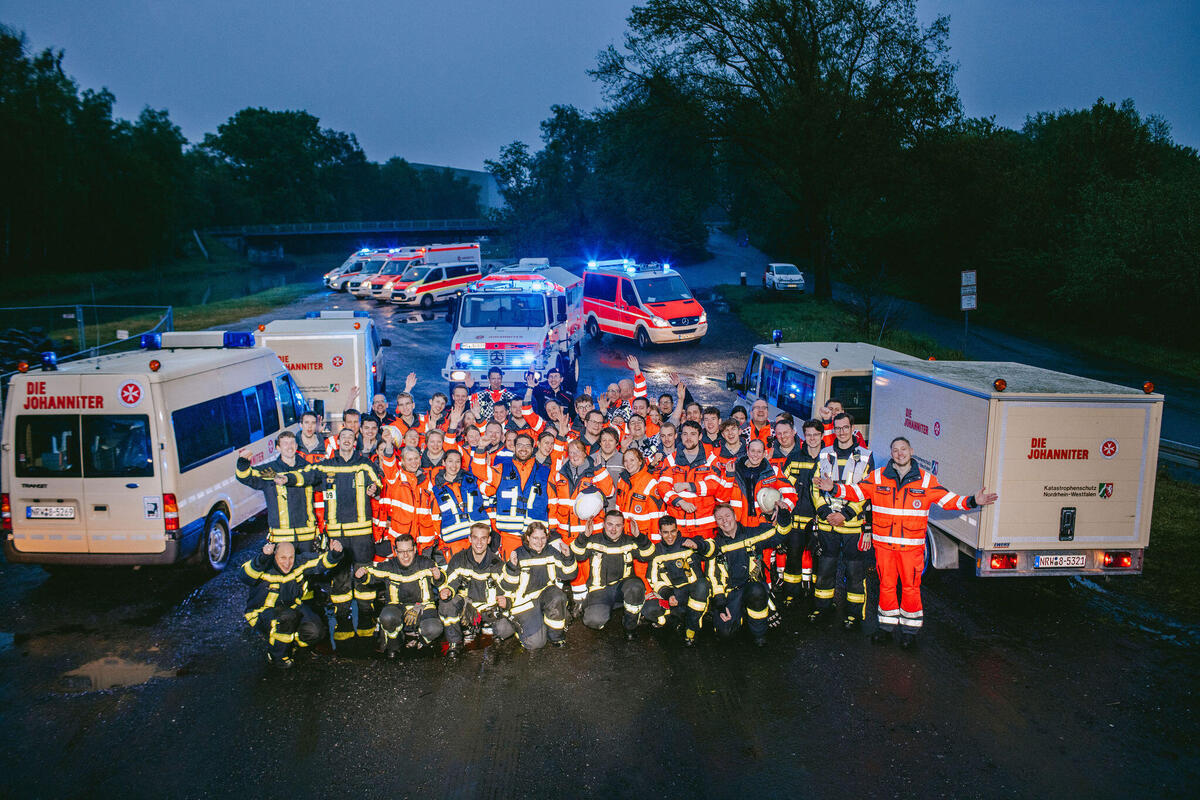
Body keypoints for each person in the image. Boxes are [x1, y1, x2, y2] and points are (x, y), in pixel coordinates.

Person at [818, 436, 997, 648]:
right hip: (884, 547)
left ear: (911, 451)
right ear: (891, 453)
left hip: (911, 549)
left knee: (911, 589)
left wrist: (973, 500)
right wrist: (833, 488)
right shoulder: (878, 477)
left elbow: (949, 501)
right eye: (895, 450)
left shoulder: (926, 481)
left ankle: (909, 632)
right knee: (886, 586)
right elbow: (856, 492)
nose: (899, 453)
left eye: (903, 449)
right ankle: (885, 628)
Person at [293, 427, 383, 644]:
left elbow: (378, 481)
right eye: (343, 438)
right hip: (337, 534)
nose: (346, 441)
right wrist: (283, 478)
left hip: (361, 532)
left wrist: (374, 489)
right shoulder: (326, 466)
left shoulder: (364, 464)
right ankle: (343, 623)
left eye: (350, 438)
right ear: (338, 441)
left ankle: (366, 622)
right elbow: (304, 476)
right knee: (339, 581)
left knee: (364, 576)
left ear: (355, 442)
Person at [809, 412, 874, 630]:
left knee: (855, 573)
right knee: (825, 570)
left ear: (852, 428)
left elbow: (867, 492)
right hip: (828, 524)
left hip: (852, 525)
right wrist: (826, 512)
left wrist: (844, 515)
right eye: (837, 428)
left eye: (845, 427)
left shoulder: (866, 456)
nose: (841, 432)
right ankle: (822, 608)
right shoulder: (825, 453)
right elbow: (814, 486)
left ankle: (854, 615)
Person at [241, 539, 343, 668]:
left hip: (293, 609)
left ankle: (288, 643)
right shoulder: (264, 565)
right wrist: (262, 558)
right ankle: (277, 656)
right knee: (287, 617)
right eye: (283, 558)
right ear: (274, 556)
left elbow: (322, 562)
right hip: (262, 613)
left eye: (291, 557)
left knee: (317, 631)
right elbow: (244, 575)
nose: (287, 563)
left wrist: (335, 553)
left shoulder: (299, 562)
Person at [702, 503, 791, 647]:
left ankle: (759, 632)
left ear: (735, 516)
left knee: (757, 591)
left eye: (727, 516)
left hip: (752, 587)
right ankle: (742, 615)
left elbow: (780, 534)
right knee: (725, 634)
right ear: (716, 522)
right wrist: (720, 605)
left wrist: (784, 515)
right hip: (731, 593)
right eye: (719, 518)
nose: (725, 521)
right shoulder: (715, 545)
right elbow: (714, 577)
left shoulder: (753, 534)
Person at [355, 533, 443, 657]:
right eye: (401, 552)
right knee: (387, 617)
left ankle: (422, 642)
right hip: (397, 607)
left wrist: (438, 576)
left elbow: (440, 580)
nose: (405, 556)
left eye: (409, 551)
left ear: (415, 549)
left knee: (434, 628)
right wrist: (362, 575)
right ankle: (395, 643)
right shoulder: (389, 566)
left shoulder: (426, 563)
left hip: (424, 607)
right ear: (395, 551)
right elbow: (371, 574)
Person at [571, 509, 655, 639]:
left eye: (618, 525)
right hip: (600, 591)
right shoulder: (593, 540)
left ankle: (630, 626)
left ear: (623, 526)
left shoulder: (630, 541)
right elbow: (577, 555)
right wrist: (584, 536)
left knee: (636, 586)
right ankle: (600, 606)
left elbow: (649, 554)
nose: (613, 529)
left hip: (623, 589)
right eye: (610, 524)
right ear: (604, 524)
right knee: (594, 621)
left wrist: (639, 536)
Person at [438, 522, 516, 656]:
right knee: (446, 604)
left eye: (483, 538)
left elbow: (506, 590)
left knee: (505, 629)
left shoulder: (497, 563)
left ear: (489, 540)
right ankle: (455, 641)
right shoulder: (458, 559)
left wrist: (506, 602)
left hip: (488, 608)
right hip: (466, 608)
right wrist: (448, 591)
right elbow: (450, 583)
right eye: (475, 538)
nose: (479, 542)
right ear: (469, 539)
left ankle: (487, 627)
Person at [235, 432, 319, 554]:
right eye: (285, 443)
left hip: (307, 536)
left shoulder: (309, 468)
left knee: (307, 571)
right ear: (278, 448)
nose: (289, 446)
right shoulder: (269, 471)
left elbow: (317, 478)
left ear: (296, 446)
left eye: (292, 443)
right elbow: (246, 477)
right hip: (281, 537)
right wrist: (242, 463)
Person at [500, 521, 577, 650]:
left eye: (543, 538)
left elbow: (569, 574)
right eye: (535, 538)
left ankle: (556, 637)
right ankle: (520, 627)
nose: (539, 542)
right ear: (528, 538)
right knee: (535, 644)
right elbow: (507, 586)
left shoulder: (551, 551)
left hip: (544, 595)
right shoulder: (518, 554)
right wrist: (512, 568)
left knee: (558, 596)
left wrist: (568, 557)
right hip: (524, 602)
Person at [641, 516, 709, 646]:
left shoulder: (689, 543)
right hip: (674, 595)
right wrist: (668, 594)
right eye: (665, 532)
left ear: (677, 530)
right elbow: (654, 579)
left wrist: (698, 545)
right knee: (648, 609)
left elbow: (709, 548)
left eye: (673, 531)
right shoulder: (656, 551)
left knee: (702, 585)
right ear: (660, 533)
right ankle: (679, 617)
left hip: (693, 592)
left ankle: (691, 629)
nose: (670, 536)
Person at [777, 419, 825, 602]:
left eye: (816, 434)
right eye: (809, 435)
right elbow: (782, 483)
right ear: (803, 436)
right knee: (793, 558)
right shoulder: (795, 457)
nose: (812, 438)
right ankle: (791, 594)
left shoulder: (829, 458)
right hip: (796, 518)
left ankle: (818, 598)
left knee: (820, 561)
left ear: (821, 436)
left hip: (820, 519)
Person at [486, 432, 551, 555]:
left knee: (534, 571)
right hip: (509, 535)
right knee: (510, 571)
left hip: (536, 536)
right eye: (520, 445)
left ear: (533, 448)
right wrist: (480, 449)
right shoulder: (502, 468)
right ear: (514, 447)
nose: (523, 449)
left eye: (527, 446)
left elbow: (552, 504)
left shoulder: (545, 472)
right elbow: (480, 472)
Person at [424, 448, 495, 559]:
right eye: (450, 461)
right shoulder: (436, 489)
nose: (454, 465)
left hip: (478, 539)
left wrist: (486, 469)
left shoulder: (472, 480)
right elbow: (435, 519)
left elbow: (491, 491)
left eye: (457, 461)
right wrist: (442, 542)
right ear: (443, 462)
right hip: (453, 541)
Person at [659, 421, 721, 539]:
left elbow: (713, 485)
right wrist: (681, 502)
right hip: (678, 526)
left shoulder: (710, 459)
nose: (688, 438)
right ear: (681, 436)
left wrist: (688, 485)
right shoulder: (671, 460)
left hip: (704, 526)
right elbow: (663, 487)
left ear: (700, 436)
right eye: (685, 434)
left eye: (693, 434)